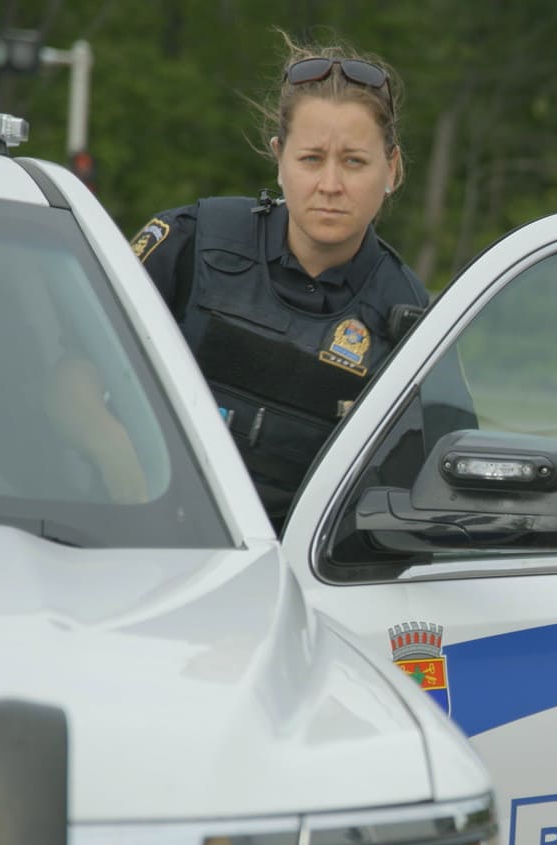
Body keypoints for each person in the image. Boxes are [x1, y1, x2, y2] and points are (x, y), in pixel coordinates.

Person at [130, 36, 426, 528]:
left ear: (391, 168)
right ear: (279, 157)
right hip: (152, 534)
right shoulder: (188, 243)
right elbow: (77, 372)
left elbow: (423, 487)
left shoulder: (414, 318)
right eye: (311, 159)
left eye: (354, 161)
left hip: (300, 579)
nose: (330, 184)